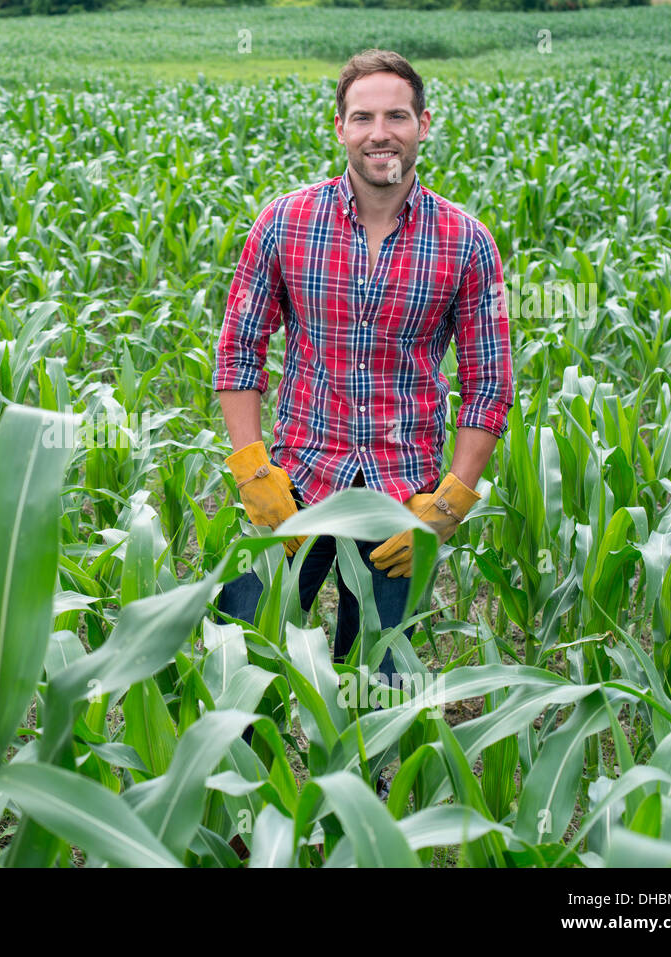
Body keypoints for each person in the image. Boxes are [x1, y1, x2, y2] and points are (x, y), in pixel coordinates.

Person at [213, 49, 514, 706]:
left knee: (378, 683)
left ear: (424, 124)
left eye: (397, 115)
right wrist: (251, 468)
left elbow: (488, 385)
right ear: (340, 127)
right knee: (239, 652)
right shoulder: (285, 221)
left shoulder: (467, 241)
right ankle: (236, 785)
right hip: (293, 482)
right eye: (364, 117)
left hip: (401, 496)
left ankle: (367, 794)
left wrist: (449, 504)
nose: (382, 132)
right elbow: (239, 350)